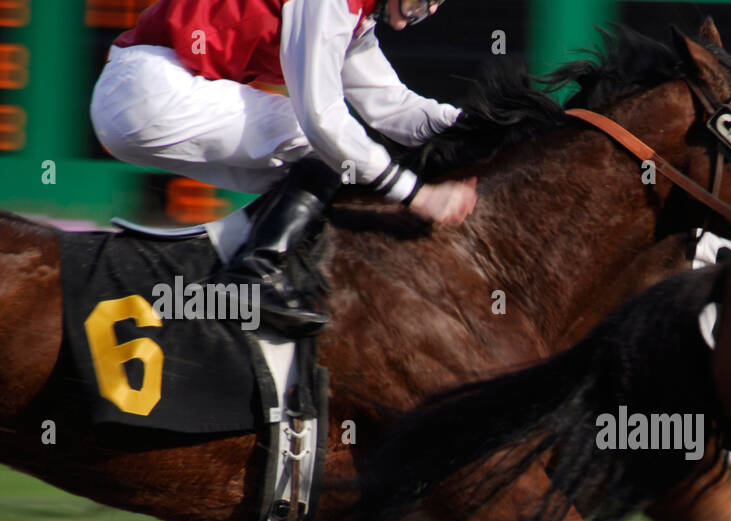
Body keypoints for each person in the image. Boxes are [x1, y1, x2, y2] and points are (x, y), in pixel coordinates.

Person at [90, 0, 478, 336]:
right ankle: (255, 275)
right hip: (150, 89)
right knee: (324, 147)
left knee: (304, 178)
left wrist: (479, 124)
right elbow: (322, 120)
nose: (409, 18)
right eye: (420, 2)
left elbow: (391, 105)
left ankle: (235, 285)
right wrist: (416, 195)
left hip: (141, 99)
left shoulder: (352, 16)